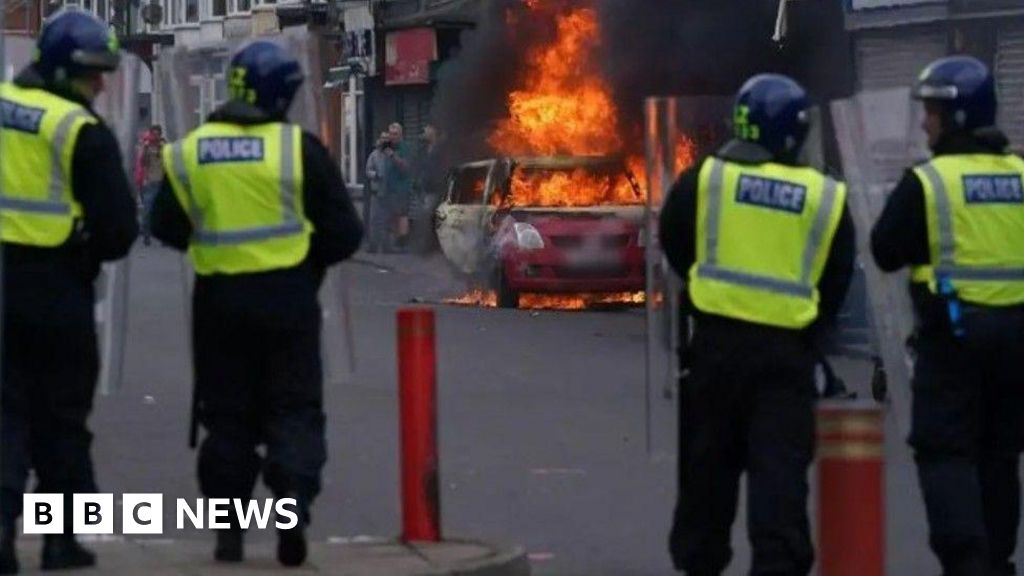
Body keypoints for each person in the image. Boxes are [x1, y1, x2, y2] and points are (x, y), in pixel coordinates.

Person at [150, 40, 362, 568]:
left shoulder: (191, 151)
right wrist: (306, 263)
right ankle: (291, 513)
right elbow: (345, 232)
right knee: (293, 412)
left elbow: (163, 227)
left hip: (219, 304)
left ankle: (230, 536)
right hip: (289, 301)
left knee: (228, 421)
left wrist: (211, 241)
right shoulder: (298, 151)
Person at [659, 74, 855, 576]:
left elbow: (675, 243)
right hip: (786, 364)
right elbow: (836, 281)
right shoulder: (823, 195)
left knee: (706, 483)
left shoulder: (705, 178)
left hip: (715, 355)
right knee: (780, 491)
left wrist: (710, 295)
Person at [871, 56, 1024, 576]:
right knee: (1000, 452)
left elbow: (886, 248)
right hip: (1017, 341)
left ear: (957, 117)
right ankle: (999, 560)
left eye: (932, 111)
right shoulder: (1022, 175)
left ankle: (968, 562)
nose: (924, 122)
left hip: (953, 340)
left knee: (945, 451)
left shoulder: (930, 182)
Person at [0, 10, 138, 574]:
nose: (101, 85)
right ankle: (60, 542)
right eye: (92, 75)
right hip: (56, 289)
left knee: (3, 417)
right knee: (60, 420)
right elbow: (119, 231)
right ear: (63, 71)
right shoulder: (80, 130)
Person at [382, 122, 413, 252]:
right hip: (390, 188)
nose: (392, 136)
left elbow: (406, 167)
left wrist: (393, 156)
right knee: (392, 216)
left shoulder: (405, 148)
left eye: (395, 134)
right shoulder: (388, 147)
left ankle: (403, 244)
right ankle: (395, 243)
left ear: (401, 135)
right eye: (391, 134)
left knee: (402, 215)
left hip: (401, 188)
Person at [134, 125, 165, 245]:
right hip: (150, 182)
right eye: (154, 134)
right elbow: (142, 163)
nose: (155, 136)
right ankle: (146, 234)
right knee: (147, 210)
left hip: (162, 182)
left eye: (158, 134)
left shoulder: (164, 146)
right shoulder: (146, 147)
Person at [365, 131, 391, 253]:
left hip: (388, 192)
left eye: (386, 139)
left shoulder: (391, 155)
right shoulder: (374, 155)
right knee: (374, 220)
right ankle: (373, 245)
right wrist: (376, 175)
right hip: (376, 191)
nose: (384, 141)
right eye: (382, 139)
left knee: (386, 220)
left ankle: (386, 246)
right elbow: (368, 171)